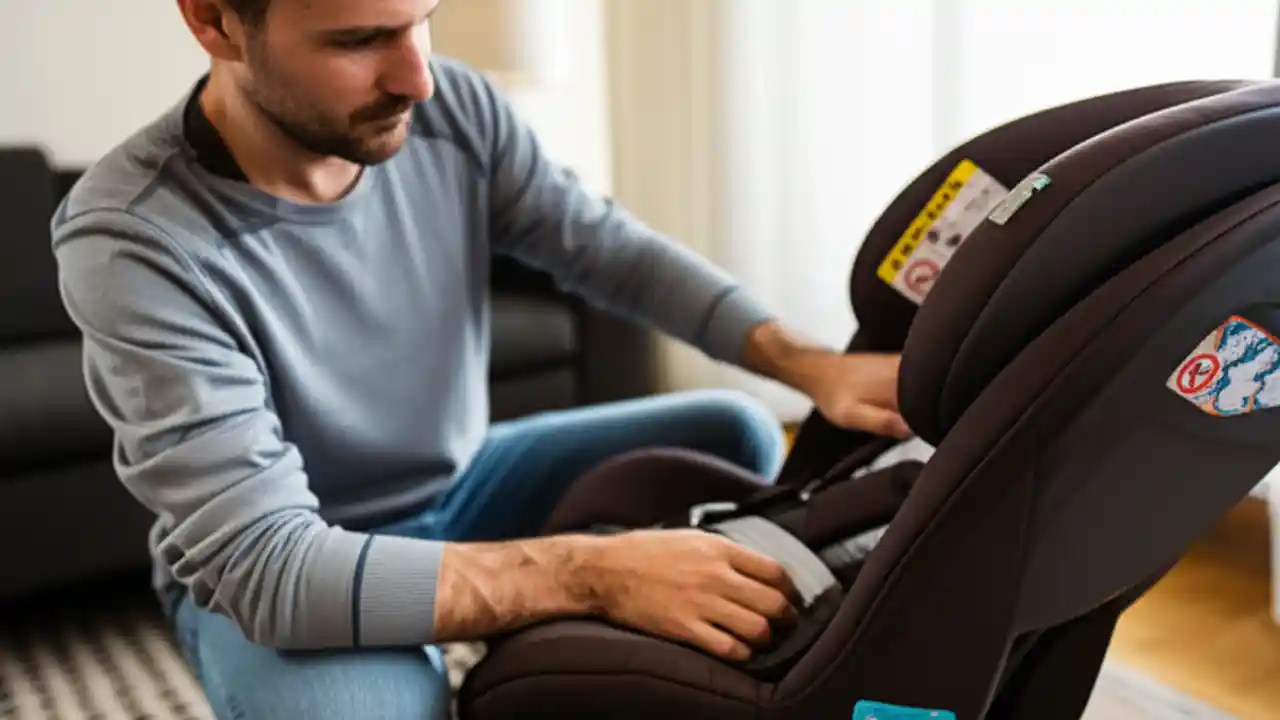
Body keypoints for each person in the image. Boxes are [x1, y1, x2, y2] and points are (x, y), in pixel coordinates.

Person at [50, 0, 910, 717]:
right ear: (214, 21)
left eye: (423, 19)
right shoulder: (133, 236)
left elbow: (607, 250)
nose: (416, 77)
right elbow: (270, 566)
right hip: (293, 553)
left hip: (462, 483)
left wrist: (810, 366)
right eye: (358, 41)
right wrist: (589, 576)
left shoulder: (451, 108)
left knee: (733, 429)